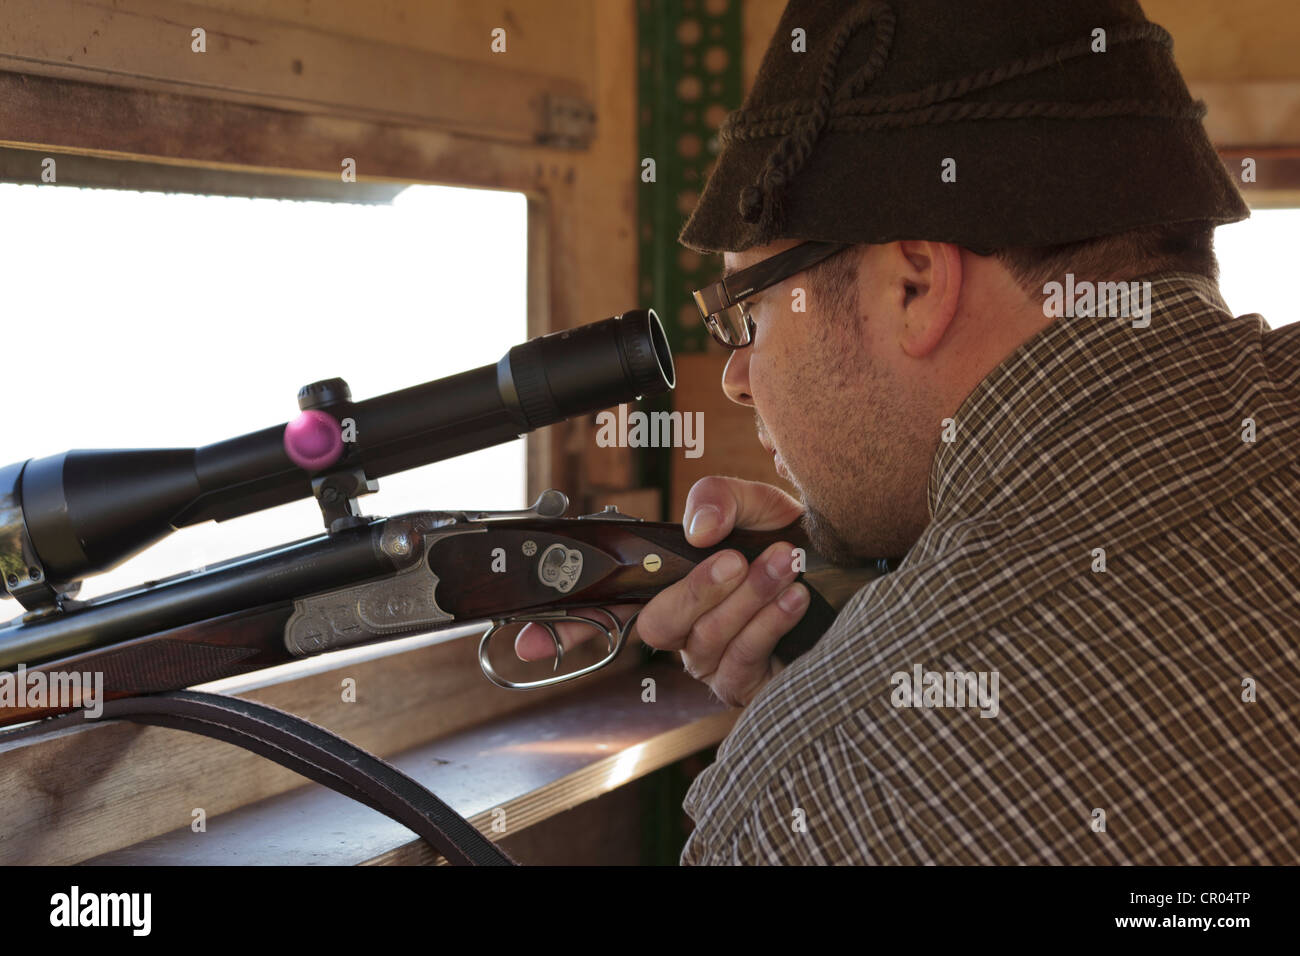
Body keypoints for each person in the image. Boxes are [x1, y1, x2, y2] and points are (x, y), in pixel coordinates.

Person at [530, 0, 1300, 864]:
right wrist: (871, 612)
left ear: (917, 284)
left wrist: (844, 699)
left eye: (746, 311)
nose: (740, 378)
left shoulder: (818, 799)